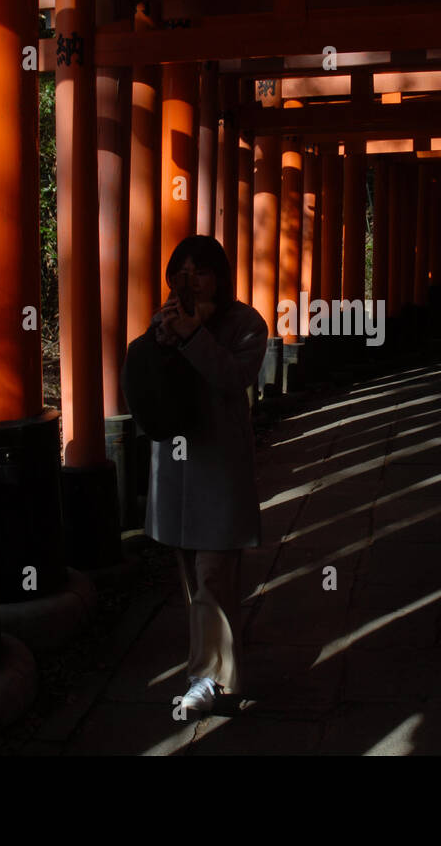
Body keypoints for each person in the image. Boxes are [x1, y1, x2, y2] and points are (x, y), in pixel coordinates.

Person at [141, 234, 268, 716]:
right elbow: (148, 381)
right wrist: (162, 338)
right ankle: (216, 665)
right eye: (181, 270)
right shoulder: (164, 321)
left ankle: (208, 677)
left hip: (218, 464)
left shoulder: (246, 325)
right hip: (175, 466)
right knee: (195, 573)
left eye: (202, 270)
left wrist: (195, 336)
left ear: (222, 276)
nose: (190, 280)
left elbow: (234, 380)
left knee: (214, 571)